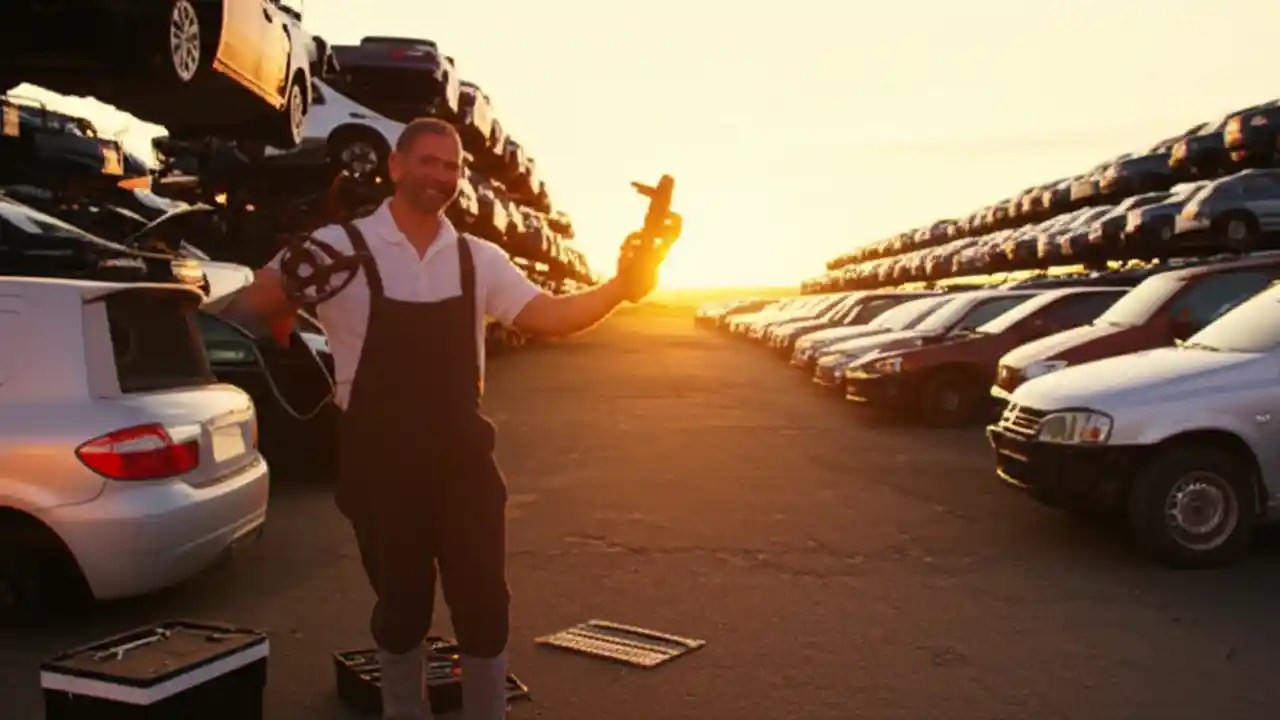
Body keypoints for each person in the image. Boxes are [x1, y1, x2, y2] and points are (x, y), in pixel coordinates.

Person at [228, 117, 678, 720]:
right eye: (430, 162)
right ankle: (402, 711)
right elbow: (253, 303)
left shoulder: (476, 259)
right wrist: (280, 304)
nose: (442, 176)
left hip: (463, 464)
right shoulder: (339, 248)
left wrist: (622, 286)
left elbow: (550, 315)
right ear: (396, 166)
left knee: (485, 607)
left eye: (453, 167)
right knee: (401, 608)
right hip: (380, 467)